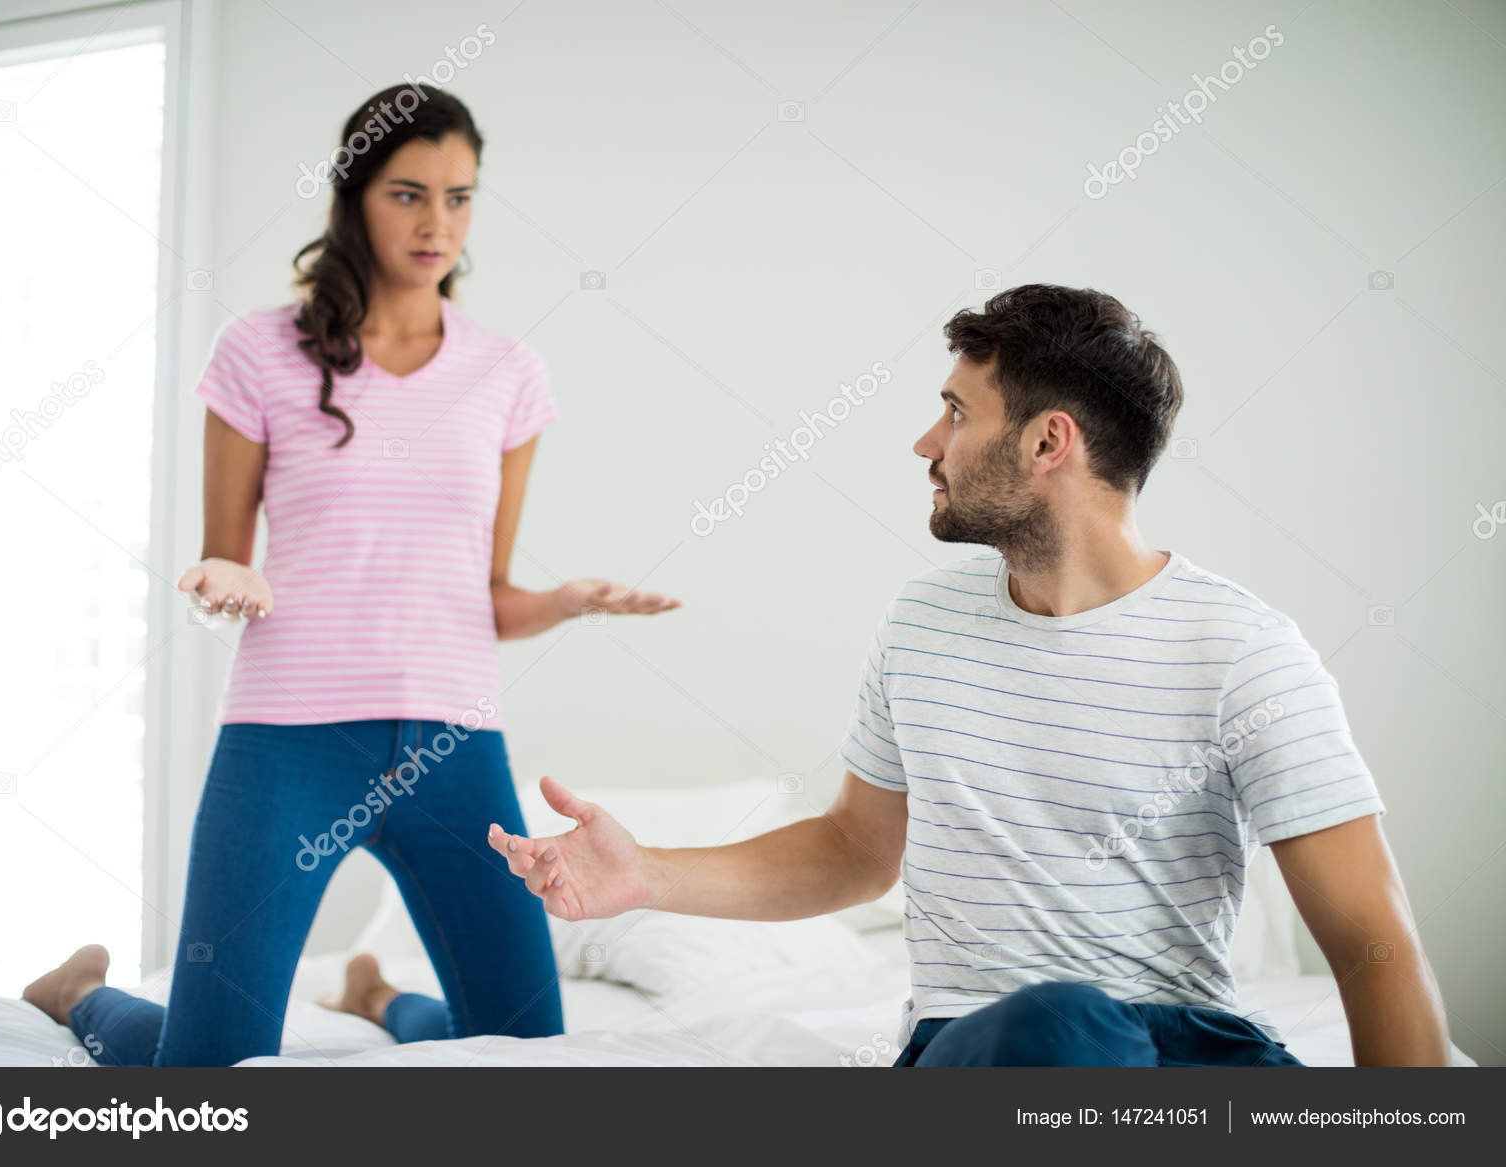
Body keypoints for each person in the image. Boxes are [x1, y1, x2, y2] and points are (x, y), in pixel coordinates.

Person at [477, 283, 1452, 1067]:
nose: (924, 444)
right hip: (985, 1048)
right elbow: (855, 852)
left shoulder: (1244, 652)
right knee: (1058, 1026)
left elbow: (1372, 944)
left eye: (953, 412)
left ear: (1046, 442)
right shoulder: (923, 626)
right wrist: (645, 874)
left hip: (1191, 1051)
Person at [21, 82, 679, 1066]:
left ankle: (376, 998)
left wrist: (566, 602)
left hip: (455, 746)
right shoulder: (257, 352)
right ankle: (80, 993)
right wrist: (226, 578)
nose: (437, 222)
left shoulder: (507, 372)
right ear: (355, 196)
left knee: (534, 1059)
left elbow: (489, 597)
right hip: (285, 746)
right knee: (207, 1084)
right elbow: (225, 559)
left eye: (460, 197)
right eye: (408, 193)